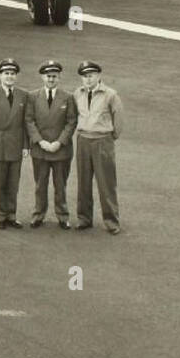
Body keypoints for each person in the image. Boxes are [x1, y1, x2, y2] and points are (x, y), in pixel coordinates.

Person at [25, 59, 78, 228]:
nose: (51, 79)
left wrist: (59, 142)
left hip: (61, 150)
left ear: (59, 77)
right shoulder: (33, 96)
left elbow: (71, 122)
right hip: (40, 150)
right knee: (40, 184)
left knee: (60, 185)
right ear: (42, 77)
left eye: (54, 76)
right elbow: (29, 120)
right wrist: (40, 141)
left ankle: (62, 216)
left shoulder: (68, 97)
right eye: (48, 76)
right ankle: (38, 214)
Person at [73, 60, 123, 234]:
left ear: (98, 76)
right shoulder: (77, 93)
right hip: (83, 141)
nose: (87, 79)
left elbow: (118, 120)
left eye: (90, 76)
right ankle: (84, 219)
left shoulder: (110, 94)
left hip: (102, 141)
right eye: (84, 76)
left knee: (106, 183)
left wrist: (109, 136)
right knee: (83, 183)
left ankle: (111, 221)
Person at [0, 58, 31, 229]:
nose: (10, 76)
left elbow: (26, 123)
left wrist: (26, 146)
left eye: (12, 73)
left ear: (16, 76)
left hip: (16, 144)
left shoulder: (24, 95)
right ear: (0, 75)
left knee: (13, 183)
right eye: (6, 73)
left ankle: (11, 214)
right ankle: (0, 216)